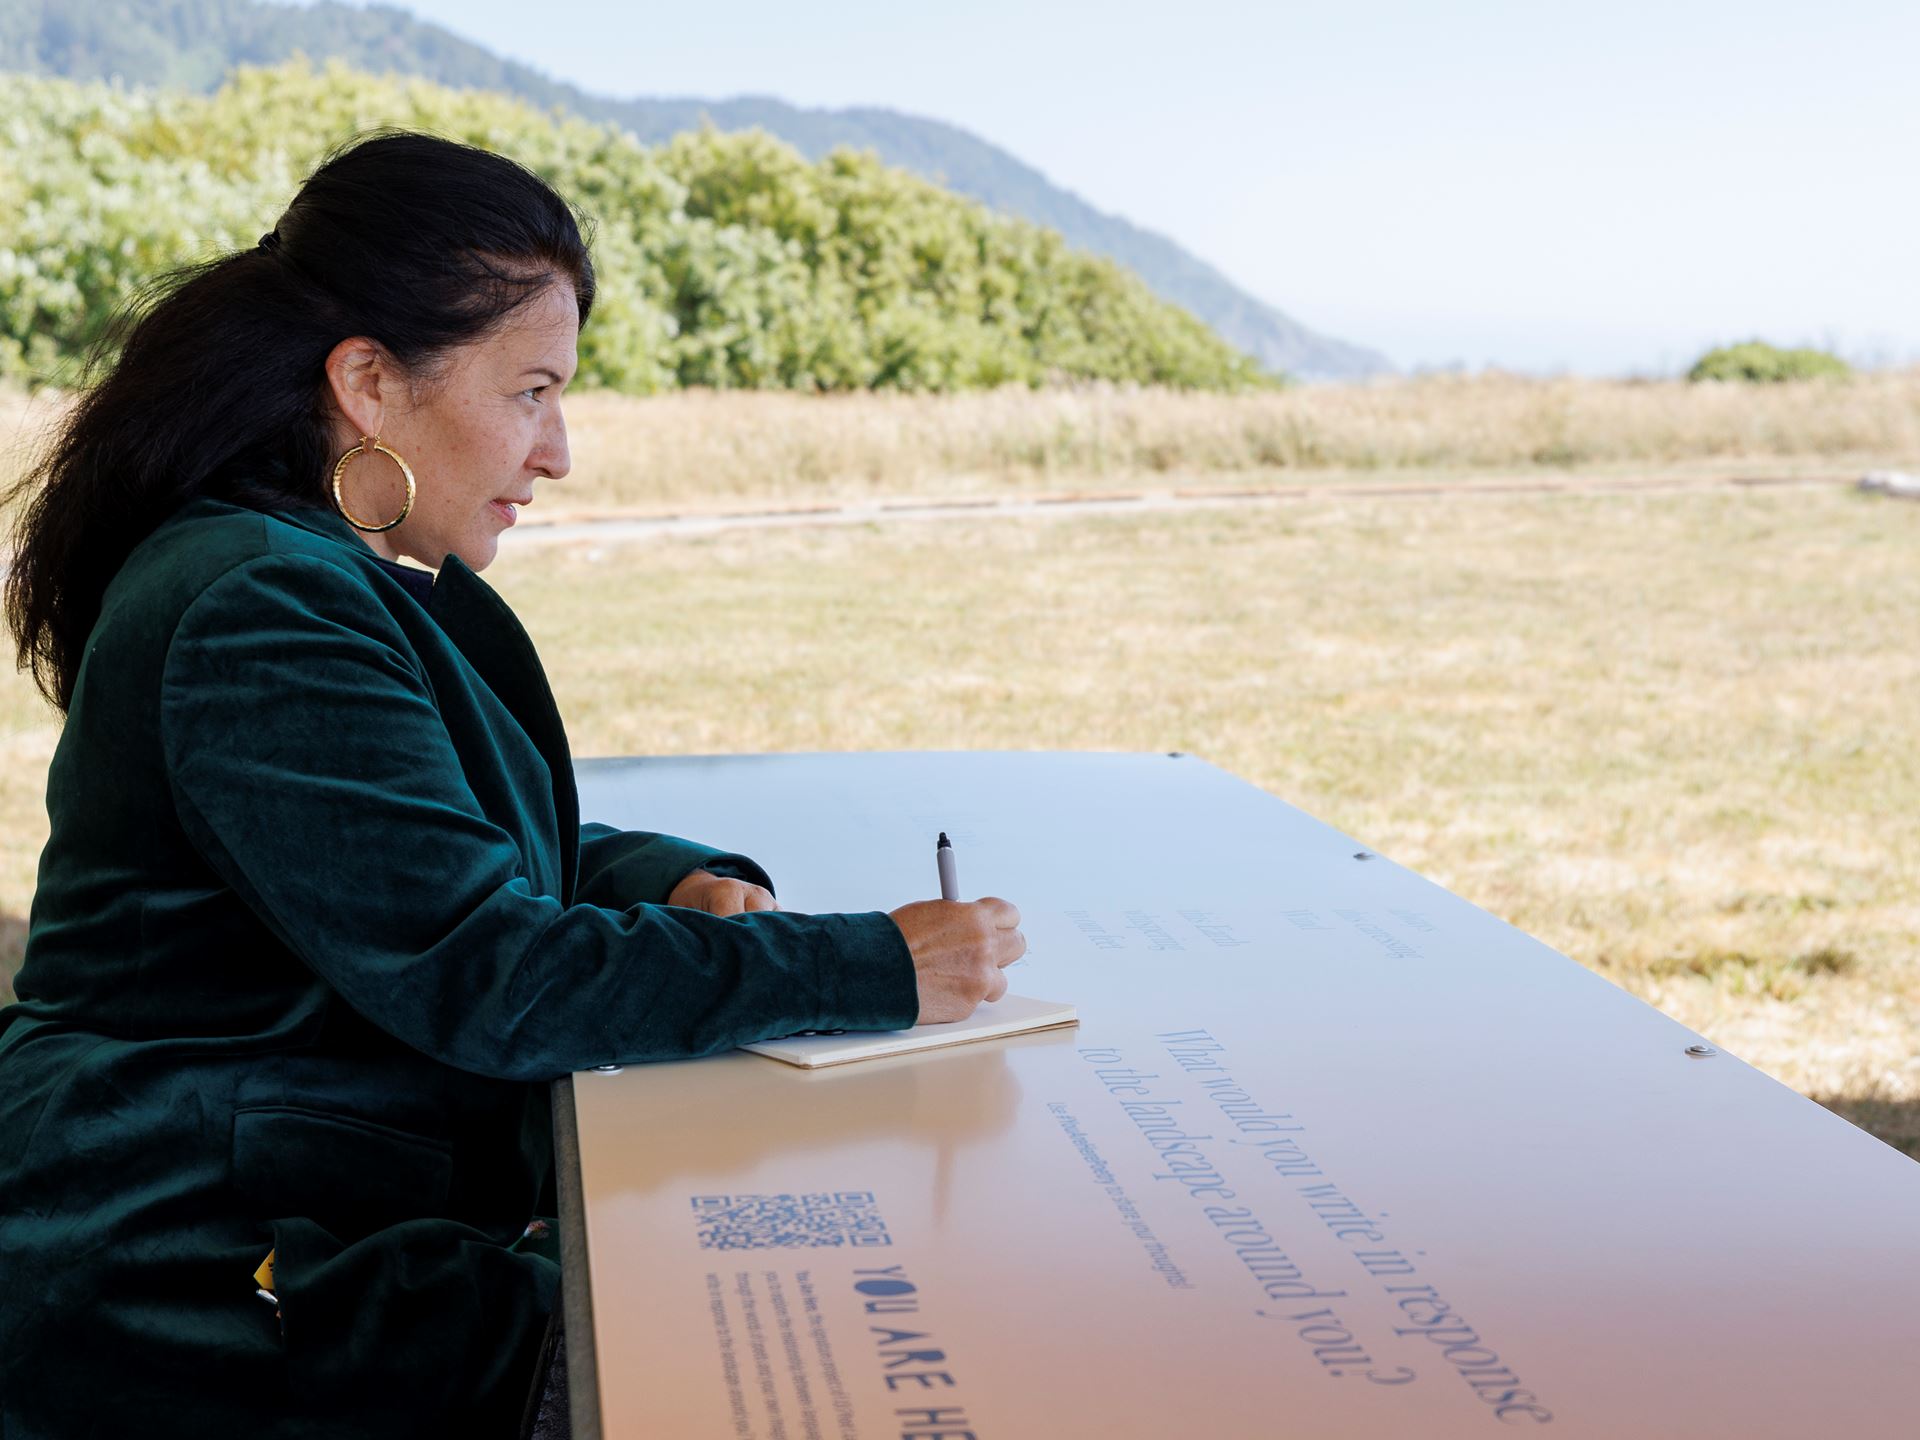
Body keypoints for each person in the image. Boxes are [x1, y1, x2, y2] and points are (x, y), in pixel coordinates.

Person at [0, 131, 1026, 1439]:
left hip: (300, 1210)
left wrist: (668, 880)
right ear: (370, 383)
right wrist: (876, 969)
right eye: (531, 390)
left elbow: (433, 848)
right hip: (191, 1268)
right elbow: (487, 971)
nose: (558, 454)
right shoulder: (266, 604)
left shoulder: (310, 570)